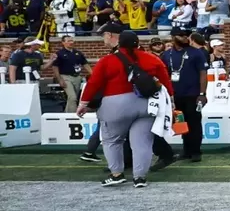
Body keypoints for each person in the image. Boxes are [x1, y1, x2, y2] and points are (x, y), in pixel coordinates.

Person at [77, 29, 172, 189]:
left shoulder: (107, 60)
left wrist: (83, 103)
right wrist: (172, 102)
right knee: (142, 143)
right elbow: (165, 82)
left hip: (115, 104)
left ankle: (116, 174)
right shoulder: (152, 59)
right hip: (146, 104)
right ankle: (140, 178)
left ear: (119, 43)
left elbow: (94, 83)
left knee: (112, 140)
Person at [163, 29, 209, 162]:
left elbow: (203, 73)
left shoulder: (196, 53)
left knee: (194, 122)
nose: (185, 38)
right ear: (173, 37)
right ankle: (186, 150)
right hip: (175, 94)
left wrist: (202, 93)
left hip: (193, 94)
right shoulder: (167, 54)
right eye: (181, 36)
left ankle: (195, 151)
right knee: (181, 122)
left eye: (186, 36)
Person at [53, 34, 89, 111]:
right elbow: (55, 67)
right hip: (65, 77)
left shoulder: (78, 53)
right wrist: (59, 79)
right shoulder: (59, 53)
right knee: (72, 97)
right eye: (68, 41)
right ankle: (73, 116)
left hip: (77, 77)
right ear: (63, 42)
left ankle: (66, 115)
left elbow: (85, 64)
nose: (71, 42)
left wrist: (94, 74)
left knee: (72, 99)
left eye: (72, 40)